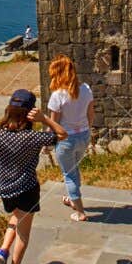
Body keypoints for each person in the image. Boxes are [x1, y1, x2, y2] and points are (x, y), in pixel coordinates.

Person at [0, 88, 66, 264]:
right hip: (27, 189)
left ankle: (3, 250)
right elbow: (62, 134)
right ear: (30, 112)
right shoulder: (32, 138)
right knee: (24, 235)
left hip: (5, 190)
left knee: (15, 218)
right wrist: (45, 119)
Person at [46, 55, 94, 221]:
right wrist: (88, 132)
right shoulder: (86, 89)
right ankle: (72, 198)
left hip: (66, 139)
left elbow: (54, 123)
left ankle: (80, 212)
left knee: (69, 174)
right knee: (74, 169)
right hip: (83, 135)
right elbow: (91, 115)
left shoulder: (57, 96)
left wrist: (46, 143)